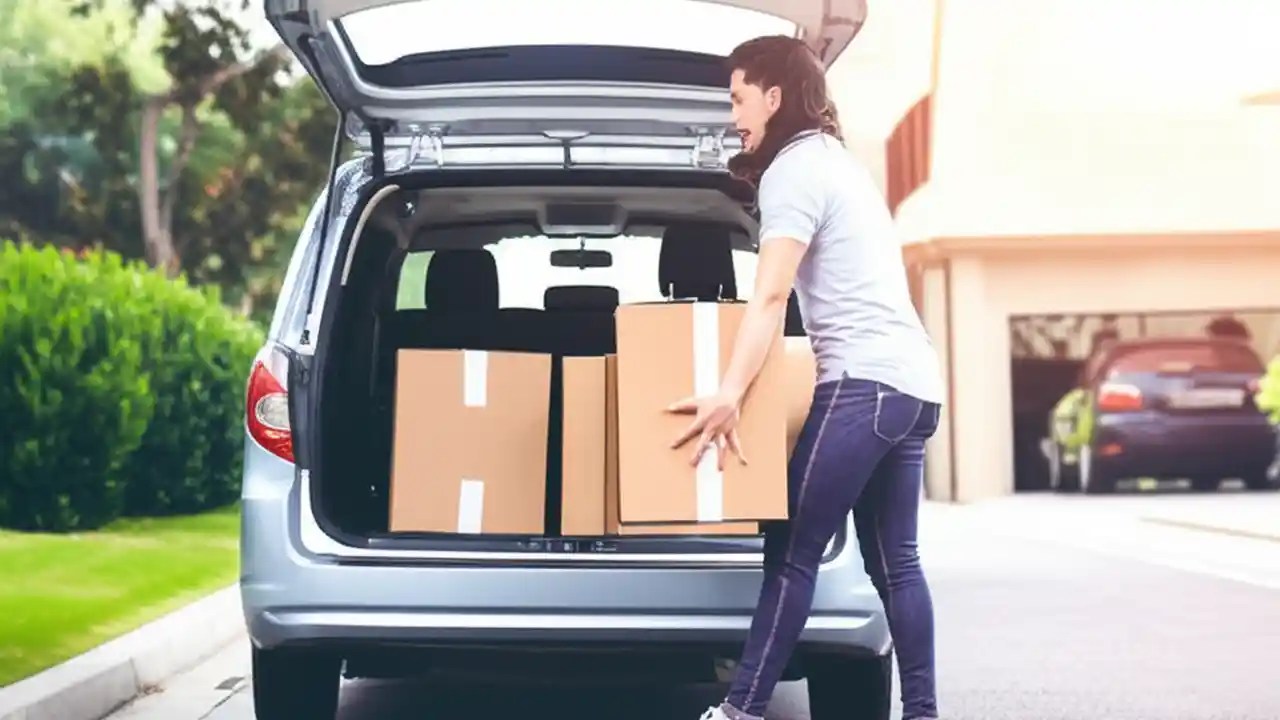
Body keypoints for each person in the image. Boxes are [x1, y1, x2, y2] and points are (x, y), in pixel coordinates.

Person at [667, 35, 946, 720]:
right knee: (896, 565)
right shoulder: (840, 164)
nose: (733, 117)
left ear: (773, 95)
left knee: (791, 550)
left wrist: (728, 394)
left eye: (737, 99)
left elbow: (768, 296)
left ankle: (740, 710)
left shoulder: (792, 171)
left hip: (864, 383)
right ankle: (925, 714)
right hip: (913, 384)